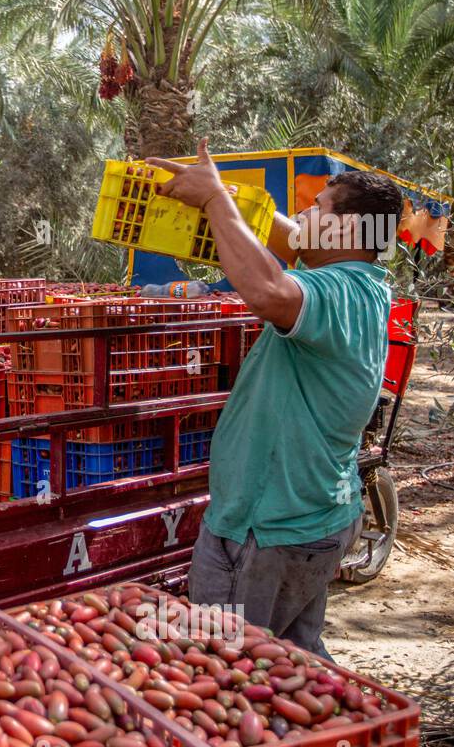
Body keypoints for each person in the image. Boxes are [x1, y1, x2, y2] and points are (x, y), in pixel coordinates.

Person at [146, 142, 401, 659]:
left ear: (347, 231)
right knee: (293, 659)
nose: (305, 213)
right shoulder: (366, 284)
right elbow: (290, 239)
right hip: (317, 517)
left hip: (267, 528)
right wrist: (221, 196)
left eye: (318, 207)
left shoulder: (331, 289)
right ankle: (335, 734)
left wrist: (217, 202)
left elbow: (267, 291)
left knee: (227, 670)